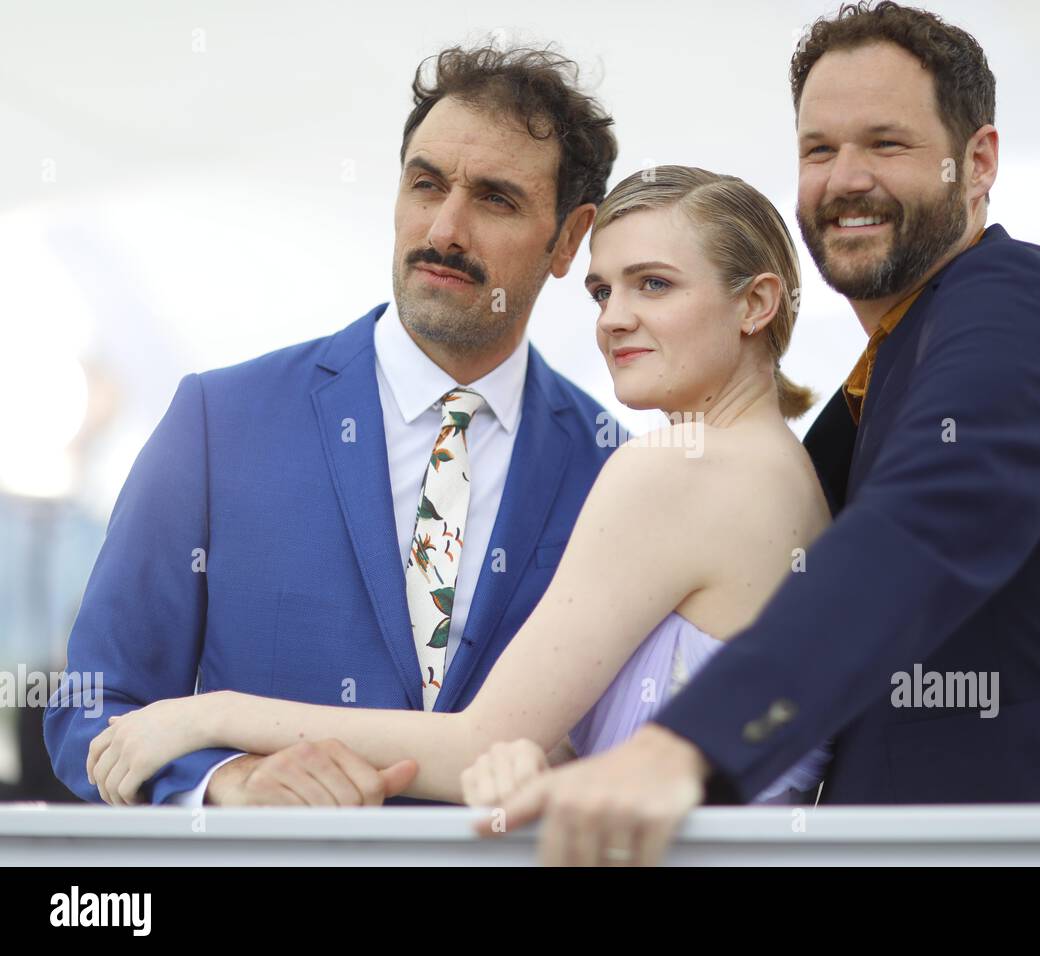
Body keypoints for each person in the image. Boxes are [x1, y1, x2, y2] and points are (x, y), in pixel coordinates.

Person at [476, 1, 1040, 866]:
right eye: (819, 150)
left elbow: (918, 536)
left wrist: (681, 748)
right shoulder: (862, 401)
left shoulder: (1017, 299)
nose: (846, 177)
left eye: (885, 143)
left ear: (979, 162)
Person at [85, 166, 833, 810]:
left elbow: (482, 740)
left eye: (655, 285)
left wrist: (209, 716)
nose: (615, 319)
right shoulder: (792, 477)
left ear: (756, 303)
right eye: (603, 291)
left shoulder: (671, 467)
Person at [45, 44, 621, 806]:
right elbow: (91, 705)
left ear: (570, 240)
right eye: (426, 185)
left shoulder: (613, 468)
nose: (444, 230)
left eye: (495, 200)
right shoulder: (220, 423)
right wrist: (228, 780)